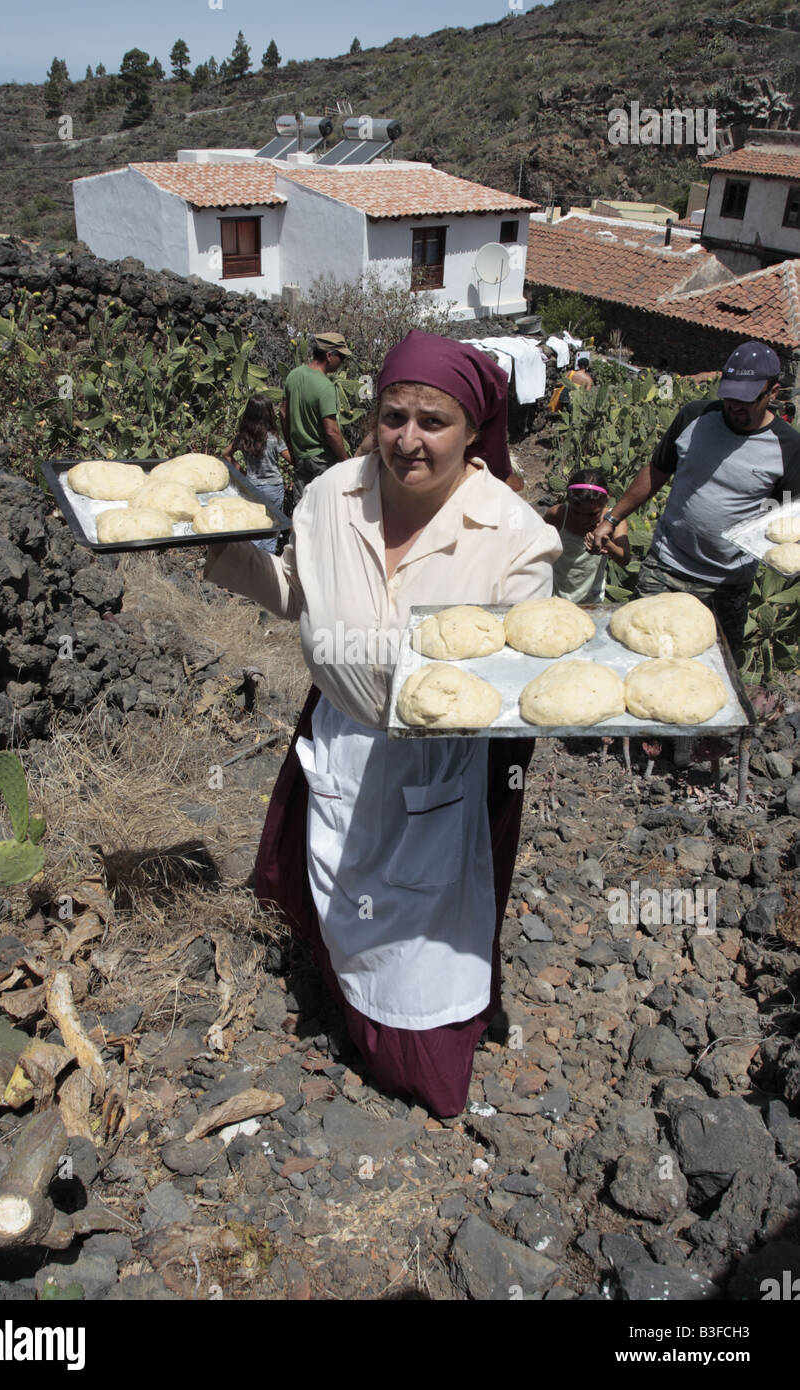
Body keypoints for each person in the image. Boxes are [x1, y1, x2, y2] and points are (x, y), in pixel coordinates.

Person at [203, 329, 561, 1116]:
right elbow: (299, 593)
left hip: (439, 763)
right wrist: (219, 549)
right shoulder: (331, 496)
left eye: (433, 422)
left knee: (424, 928)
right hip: (342, 733)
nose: (408, 440)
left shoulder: (513, 536)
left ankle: (418, 1065)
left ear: (472, 431)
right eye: (393, 415)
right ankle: (347, 1009)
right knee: (343, 894)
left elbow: (521, 663)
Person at [590, 341, 800, 659]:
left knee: (714, 668)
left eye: (746, 400)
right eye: (729, 397)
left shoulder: (788, 447)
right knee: (635, 657)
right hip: (665, 566)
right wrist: (612, 519)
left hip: (726, 583)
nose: (734, 407)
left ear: (773, 392)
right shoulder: (695, 417)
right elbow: (656, 471)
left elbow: (784, 520)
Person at [280, 332, 351, 502]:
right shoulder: (325, 386)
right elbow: (331, 431)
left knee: (302, 509)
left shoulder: (293, 375)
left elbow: (283, 413)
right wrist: (346, 463)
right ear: (329, 356)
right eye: (341, 357)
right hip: (322, 460)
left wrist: (291, 448)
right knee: (327, 508)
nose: (342, 362)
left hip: (301, 456)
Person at [544, 468, 630, 603]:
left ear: (606, 502)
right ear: (568, 500)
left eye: (592, 514)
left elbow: (624, 558)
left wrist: (607, 544)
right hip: (555, 596)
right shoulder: (558, 515)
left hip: (592, 599)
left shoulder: (613, 521)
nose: (582, 520)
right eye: (576, 512)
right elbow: (540, 548)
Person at [221, 395, 291, 553]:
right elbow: (291, 459)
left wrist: (242, 472)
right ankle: (266, 565)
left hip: (252, 488)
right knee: (272, 529)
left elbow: (226, 454)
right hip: (274, 487)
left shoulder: (243, 438)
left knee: (254, 526)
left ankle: (250, 562)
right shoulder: (273, 438)